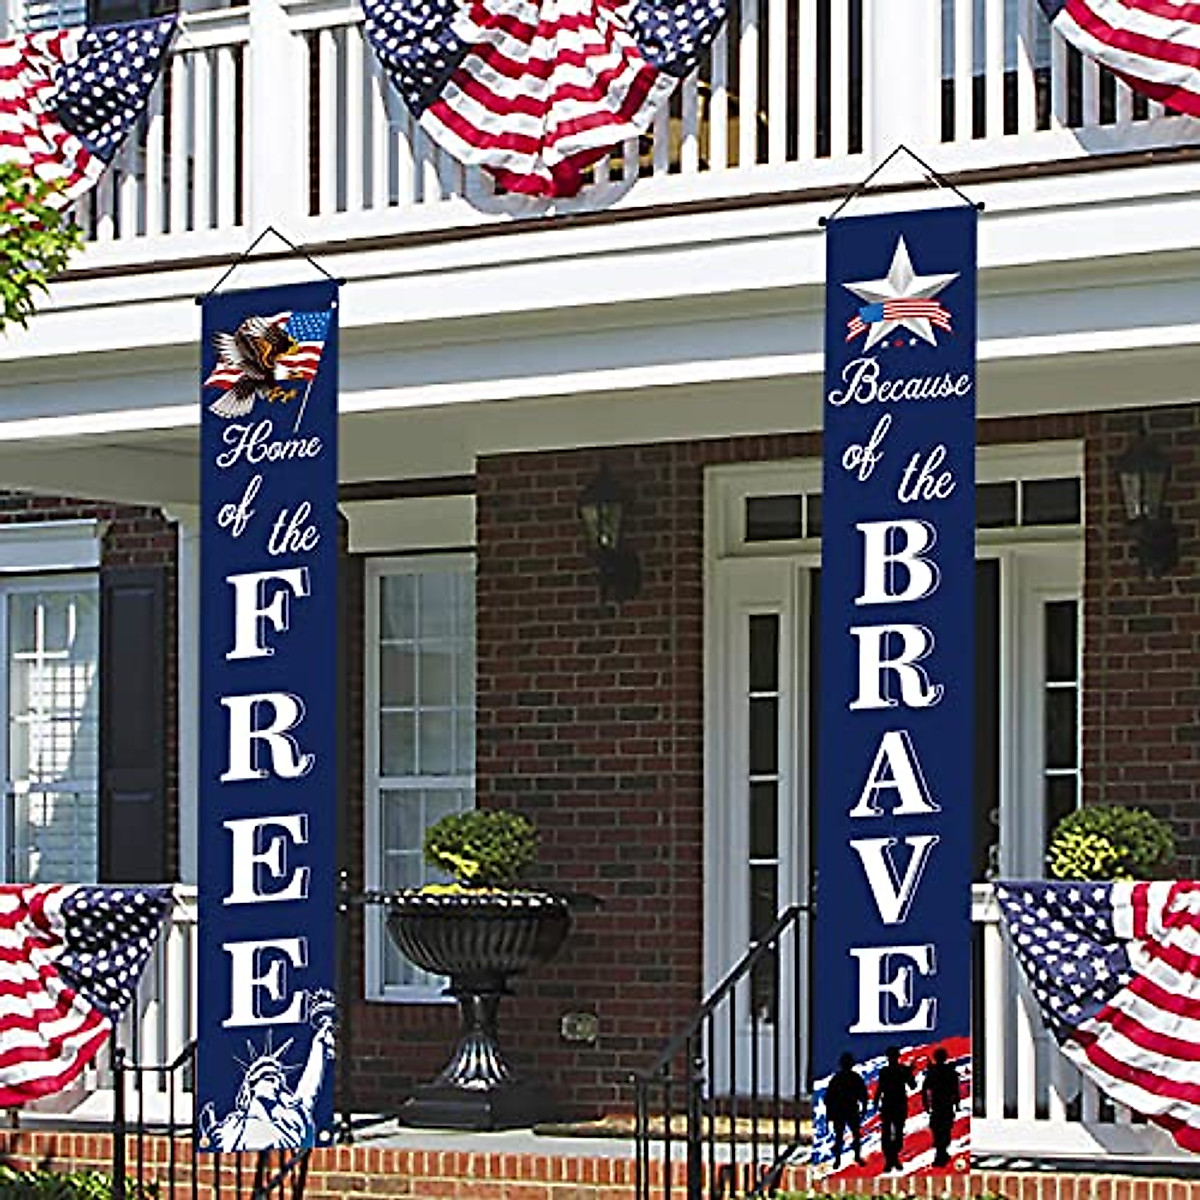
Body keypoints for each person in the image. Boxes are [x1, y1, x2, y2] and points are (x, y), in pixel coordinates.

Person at [873, 1045, 916, 1172]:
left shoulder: (886, 1071)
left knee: (891, 1133)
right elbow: (912, 1085)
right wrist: (909, 1072)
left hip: (892, 1105)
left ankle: (891, 1160)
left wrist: (876, 1102)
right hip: (896, 1105)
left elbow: (880, 1089)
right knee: (894, 1133)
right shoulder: (899, 1070)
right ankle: (892, 1160)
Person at [825, 1052, 869, 1168]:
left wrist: (864, 1107)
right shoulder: (846, 1078)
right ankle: (840, 1159)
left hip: (847, 1110)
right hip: (844, 1110)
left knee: (849, 1135)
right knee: (844, 1135)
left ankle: (849, 1158)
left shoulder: (843, 1078)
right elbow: (829, 1098)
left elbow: (863, 1095)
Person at [921, 1046, 962, 1167]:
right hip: (946, 1105)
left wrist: (926, 1104)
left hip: (938, 1105)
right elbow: (956, 1090)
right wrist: (957, 1104)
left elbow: (925, 1089)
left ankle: (941, 1154)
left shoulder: (932, 1072)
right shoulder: (950, 1072)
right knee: (944, 1129)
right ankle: (941, 1153)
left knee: (938, 1129)